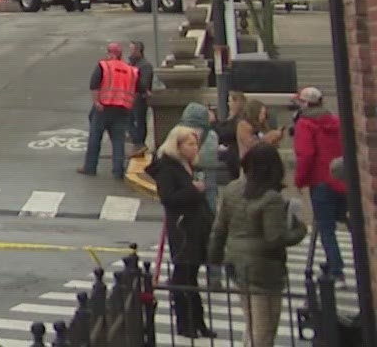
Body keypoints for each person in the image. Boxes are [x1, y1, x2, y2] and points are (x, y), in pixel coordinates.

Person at [209, 145, 310, 347]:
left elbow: (219, 228)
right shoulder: (271, 198)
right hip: (264, 269)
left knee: (251, 323)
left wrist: (214, 259)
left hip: (236, 263)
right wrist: (300, 230)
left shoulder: (232, 189)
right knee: (265, 328)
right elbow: (275, 238)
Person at [146, 125, 215, 339]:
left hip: (195, 226)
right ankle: (185, 322)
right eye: (190, 144)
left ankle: (198, 321)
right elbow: (168, 198)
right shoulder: (168, 169)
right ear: (178, 146)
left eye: (196, 144)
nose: (195, 148)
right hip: (183, 229)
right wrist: (193, 190)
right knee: (183, 276)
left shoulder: (186, 166)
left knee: (191, 276)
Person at [290, 86, 347, 282]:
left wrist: (300, 180)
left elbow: (306, 154)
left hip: (321, 181)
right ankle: (338, 262)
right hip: (342, 179)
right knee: (349, 222)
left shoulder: (305, 125)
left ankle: (336, 268)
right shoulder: (336, 122)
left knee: (326, 227)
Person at [80, 42, 137, 179]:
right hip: (122, 109)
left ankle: (90, 167)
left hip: (103, 108)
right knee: (118, 141)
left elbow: (94, 84)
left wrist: (96, 102)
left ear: (109, 53)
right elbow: (139, 87)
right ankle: (118, 171)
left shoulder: (104, 66)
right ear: (121, 55)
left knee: (95, 138)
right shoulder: (130, 70)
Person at [127, 41, 155, 152]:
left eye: (132, 50)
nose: (130, 52)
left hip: (139, 98)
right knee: (128, 121)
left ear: (139, 51)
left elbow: (144, 84)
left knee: (139, 121)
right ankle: (136, 140)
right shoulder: (131, 64)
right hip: (130, 97)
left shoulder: (145, 66)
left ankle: (139, 143)